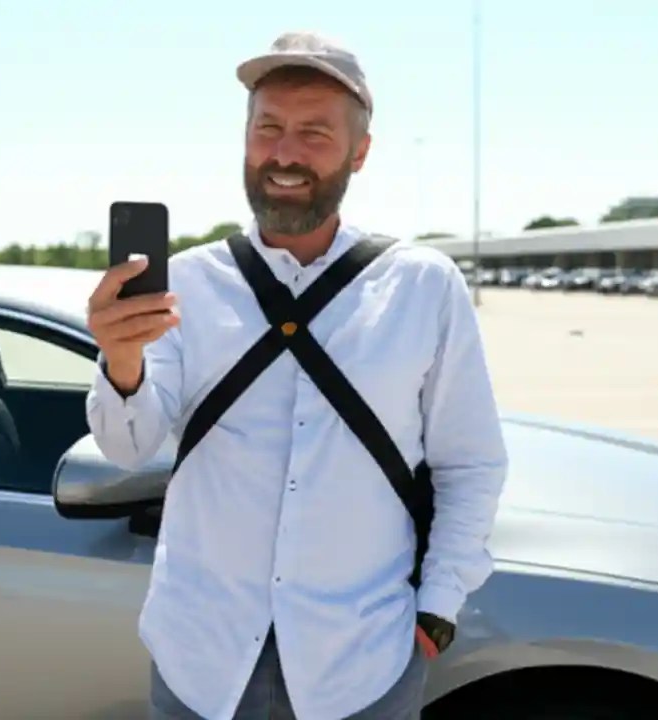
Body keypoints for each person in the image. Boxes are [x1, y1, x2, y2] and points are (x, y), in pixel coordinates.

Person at [85, 31, 509, 720]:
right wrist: (121, 360)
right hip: (201, 665)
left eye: (314, 132)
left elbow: (472, 463)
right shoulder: (186, 286)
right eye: (269, 128)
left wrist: (438, 606)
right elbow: (126, 447)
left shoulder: (422, 286)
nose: (285, 154)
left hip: (362, 669)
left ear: (359, 152)